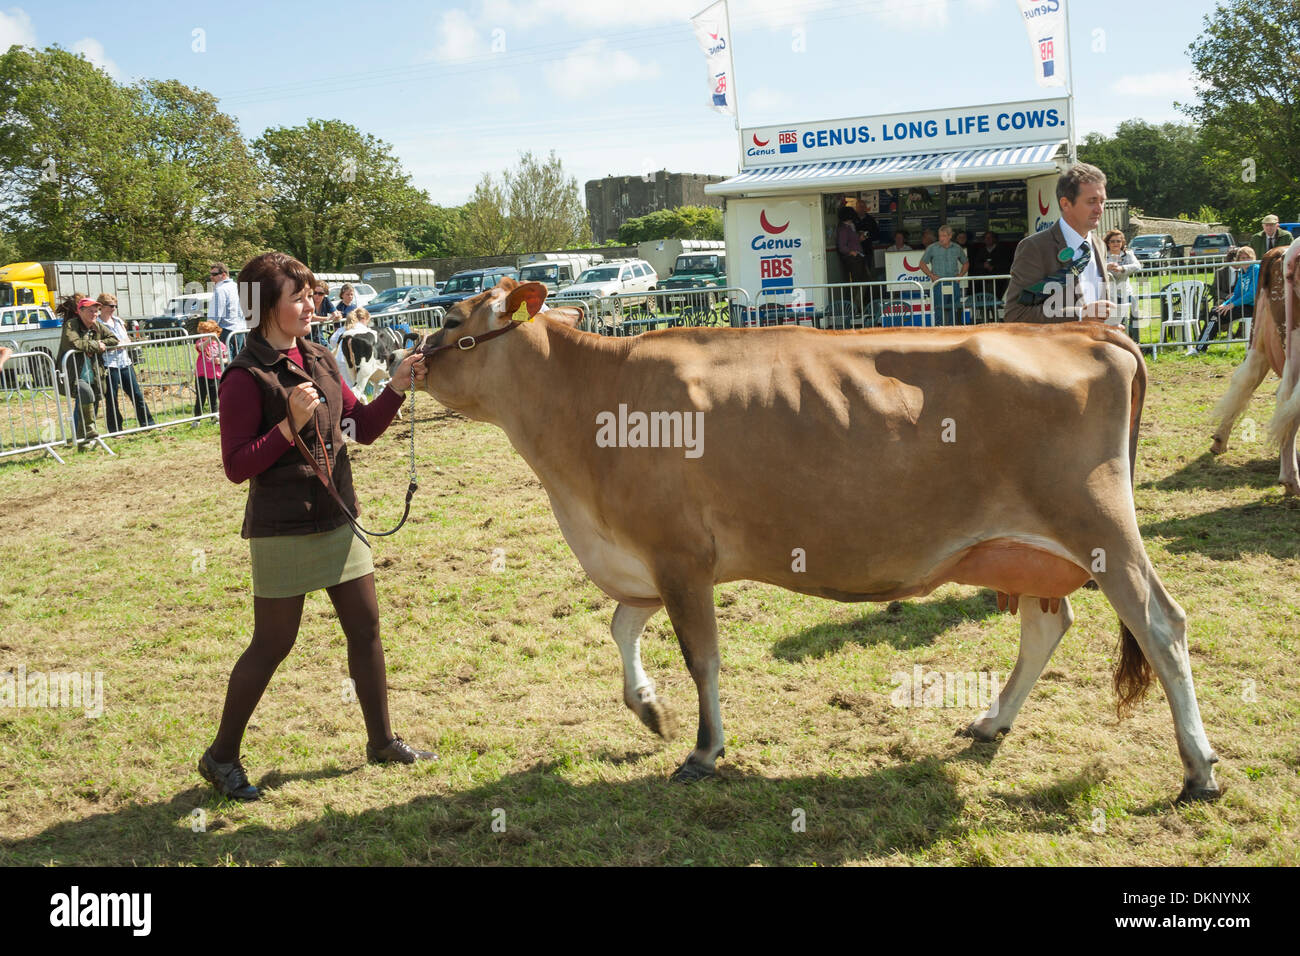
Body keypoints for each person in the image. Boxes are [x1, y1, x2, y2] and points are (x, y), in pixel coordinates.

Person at [200, 251, 431, 801]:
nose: (312, 304)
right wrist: (288, 425)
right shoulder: (244, 376)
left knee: (367, 629)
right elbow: (237, 466)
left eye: (313, 294)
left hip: (338, 515)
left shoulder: (323, 357)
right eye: (298, 296)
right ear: (264, 308)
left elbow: (362, 427)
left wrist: (396, 386)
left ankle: (381, 743)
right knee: (273, 645)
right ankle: (220, 756)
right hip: (283, 527)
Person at [1003, 163, 1113, 324]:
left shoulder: (1099, 245)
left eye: (1102, 201)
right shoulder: (1035, 248)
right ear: (1065, 204)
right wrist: (1080, 315)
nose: (1100, 209)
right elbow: (1016, 314)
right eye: (1092, 201)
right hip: (1055, 348)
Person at [55, 297, 118, 443]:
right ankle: (82, 435)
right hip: (75, 372)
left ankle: (87, 436)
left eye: (96, 311)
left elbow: (113, 339)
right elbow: (73, 342)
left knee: (93, 400)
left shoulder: (97, 325)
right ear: (80, 311)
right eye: (90, 311)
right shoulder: (72, 324)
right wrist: (96, 346)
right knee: (84, 398)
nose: (94, 314)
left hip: (94, 372)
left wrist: (98, 343)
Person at [96, 293, 155, 432]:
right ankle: (115, 429)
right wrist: (114, 344)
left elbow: (127, 340)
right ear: (102, 307)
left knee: (137, 394)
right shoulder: (97, 324)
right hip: (108, 365)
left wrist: (118, 344)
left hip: (125, 363)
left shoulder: (119, 321)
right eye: (111, 306)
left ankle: (148, 423)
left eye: (115, 305)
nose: (113, 308)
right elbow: (101, 344)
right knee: (112, 399)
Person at [1197, 246, 1258, 352]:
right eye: (1242, 258)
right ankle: (1201, 347)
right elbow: (1237, 294)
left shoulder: (1256, 269)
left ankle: (1200, 347)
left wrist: (1232, 305)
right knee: (1216, 311)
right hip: (1243, 305)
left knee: (1215, 314)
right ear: (1238, 260)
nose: (1245, 260)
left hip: (1253, 307)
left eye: (1248, 257)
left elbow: (1252, 295)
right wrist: (1225, 304)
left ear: (1253, 258)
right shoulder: (1242, 273)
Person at [919, 224, 969, 325]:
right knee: (939, 308)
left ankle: (953, 329)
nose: (941, 238)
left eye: (944, 236)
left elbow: (966, 263)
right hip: (938, 283)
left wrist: (960, 275)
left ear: (950, 236)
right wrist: (931, 275)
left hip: (953, 283)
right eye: (940, 236)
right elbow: (922, 263)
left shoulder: (957, 248)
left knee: (954, 307)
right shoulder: (932, 248)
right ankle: (939, 330)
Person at [1102, 230, 1142, 329]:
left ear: (1122, 242)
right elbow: (1095, 266)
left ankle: (1131, 339)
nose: (1115, 244)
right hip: (1107, 293)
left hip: (1124, 292)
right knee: (1109, 321)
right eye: (1112, 241)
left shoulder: (1128, 254)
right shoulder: (1102, 254)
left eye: (1118, 241)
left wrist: (1122, 268)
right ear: (1108, 243)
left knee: (1124, 322)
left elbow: (1137, 266)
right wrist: (1107, 266)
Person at [210, 262, 247, 356]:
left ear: (223, 275)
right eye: (210, 274)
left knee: (227, 365)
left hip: (227, 332)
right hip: (241, 331)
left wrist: (209, 331)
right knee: (240, 364)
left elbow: (215, 314)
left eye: (214, 274)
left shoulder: (220, 289)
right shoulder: (237, 287)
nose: (211, 277)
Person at [194, 319, 227, 418]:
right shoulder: (200, 342)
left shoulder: (221, 345)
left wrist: (221, 361)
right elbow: (200, 348)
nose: (202, 335)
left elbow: (227, 359)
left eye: (205, 333)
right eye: (202, 333)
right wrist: (209, 339)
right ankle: (197, 418)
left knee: (213, 397)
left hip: (215, 375)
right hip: (201, 374)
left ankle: (214, 417)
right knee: (200, 397)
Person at [836, 205, 868, 284]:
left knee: (863, 280)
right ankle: (857, 296)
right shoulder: (843, 229)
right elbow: (842, 246)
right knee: (859, 281)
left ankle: (858, 296)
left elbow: (851, 241)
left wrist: (859, 238)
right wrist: (852, 252)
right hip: (853, 259)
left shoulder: (849, 227)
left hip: (858, 256)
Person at [854, 199, 879, 281]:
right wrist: (858, 235)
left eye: (862, 206)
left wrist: (866, 235)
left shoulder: (871, 220)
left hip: (867, 250)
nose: (861, 208)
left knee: (867, 272)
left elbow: (876, 234)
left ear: (865, 208)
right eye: (859, 207)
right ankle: (858, 292)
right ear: (856, 208)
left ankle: (868, 292)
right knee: (857, 273)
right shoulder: (852, 220)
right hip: (855, 251)